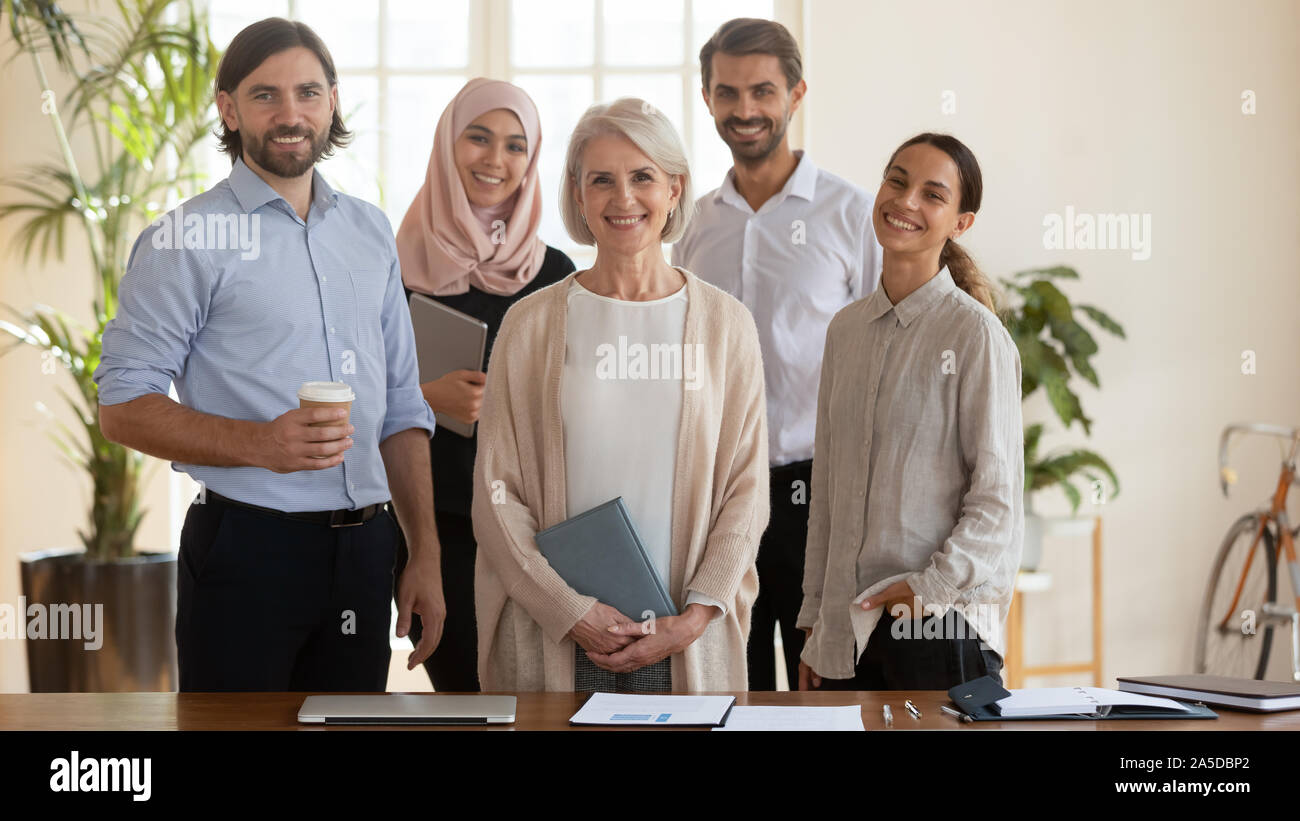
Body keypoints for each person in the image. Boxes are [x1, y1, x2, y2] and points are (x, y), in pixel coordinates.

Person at [93, 17, 445, 692]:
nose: (291, 114)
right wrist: (262, 443)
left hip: (366, 552)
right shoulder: (186, 239)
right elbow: (121, 407)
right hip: (246, 551)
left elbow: (403, 404)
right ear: (228, 108)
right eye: (265, 96)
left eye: (308, 93)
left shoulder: (369, 230)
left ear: (332, 101)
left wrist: (423, 551)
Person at [471, 97, 769, 692]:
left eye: (642, 178)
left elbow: (747, 489)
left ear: (675, 189)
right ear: (578, 195)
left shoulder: (725, 324)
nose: (623, 198)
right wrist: (569, 611)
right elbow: (495, 493)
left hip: (686, 636)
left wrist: (697, 616)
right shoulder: (531, 325)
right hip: (555, 632)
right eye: (601, 180)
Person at [672, 17, 882, 690]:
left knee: (824, 684)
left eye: (762, 91)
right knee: (729, 678)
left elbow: (886, 356)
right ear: (706, 98)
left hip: (816, 490)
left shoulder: (852, 215)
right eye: (727, 93)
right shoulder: (691, 226)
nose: (745, 110)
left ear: (796, 93)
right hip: (718, 491)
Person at [797, 133, 1024, 692]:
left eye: (932, 194)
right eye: (897, 181)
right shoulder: (844, 331)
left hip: (938, 630)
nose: (905, 202)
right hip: (846, 638)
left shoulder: (976, 336)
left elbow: (997, 501)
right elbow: (825, 490)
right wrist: (816, 626)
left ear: (959, 223)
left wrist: (928, 590)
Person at [392, 78, 575, 692]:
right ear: (449, 143)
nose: (496, 160)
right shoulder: (393, 264)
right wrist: (425, 398)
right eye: (478, 137)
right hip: (429, 526)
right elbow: (351, 390)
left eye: (516, 145)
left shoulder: (555, 274)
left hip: (532, 529)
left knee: (537, 698)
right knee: (463, 698)